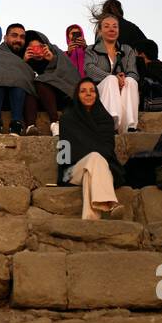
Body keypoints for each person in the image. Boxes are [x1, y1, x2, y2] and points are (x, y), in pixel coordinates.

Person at [58, 78, 125, 220]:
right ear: (77, 95)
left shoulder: (106, 119)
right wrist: (62, 174)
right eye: (83, 91)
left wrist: (86, 150)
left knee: (93, 164)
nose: (88, 94)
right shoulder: (67, 119)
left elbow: (108, 150)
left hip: (101, 167)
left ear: (97, 94)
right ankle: (110, 203)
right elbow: (64, 151)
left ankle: (90, 218)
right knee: (94, 157)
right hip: (72, 170)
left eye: (92, 91)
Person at [85, 14, 141, 133]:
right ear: (100, 31)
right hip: (101, 89)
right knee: (111, 80)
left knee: (131, 81)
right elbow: (89, 69)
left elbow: (133, 72)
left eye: (115, 27)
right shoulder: (92, 49)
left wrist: (123, 79)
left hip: (122, 88)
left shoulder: (127, 50)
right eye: (107, 26)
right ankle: (111, 122)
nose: (111, 29)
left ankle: (130, 126)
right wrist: (113, 78)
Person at [22, 31, 79, 135]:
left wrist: (52, 60)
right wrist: (23, 63)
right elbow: (19, 79)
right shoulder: (25, 59)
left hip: (58, 97)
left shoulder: (55, 53)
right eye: (32, 47)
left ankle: (54, 123)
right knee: (28, 87)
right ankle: (31, 126)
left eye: (39, 46)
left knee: (40, 81)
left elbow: (68, 74)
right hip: (34, 101)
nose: (37, 50)